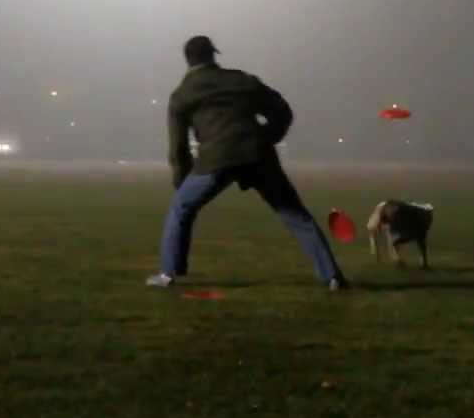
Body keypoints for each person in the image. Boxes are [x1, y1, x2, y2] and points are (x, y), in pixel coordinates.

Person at [146, 36, 349, 291]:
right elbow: (282, 110)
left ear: (187, 60)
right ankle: (331, 276)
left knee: (180, 208)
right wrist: (268, 137)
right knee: (296, 216)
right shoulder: (241, 80)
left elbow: (178, 148)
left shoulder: (182, 94)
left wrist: (182, 180)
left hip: (216, 158)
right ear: (213, 55)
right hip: (258, 154)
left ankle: (168, 274)